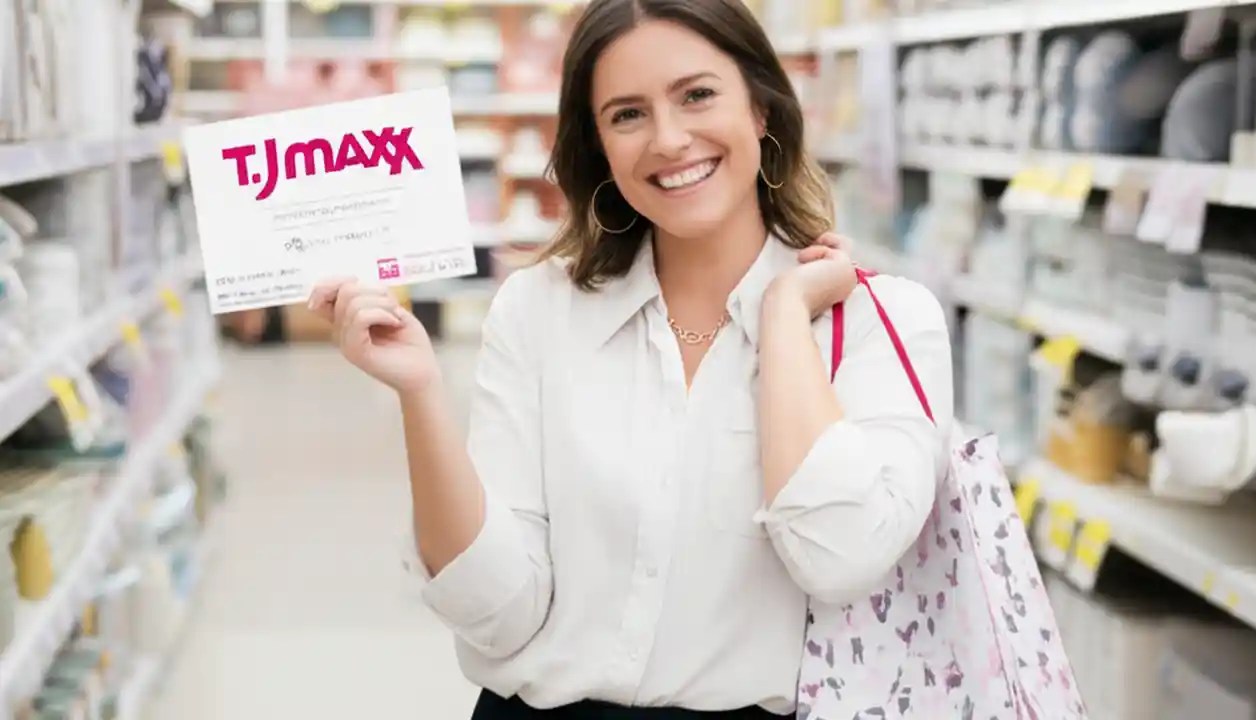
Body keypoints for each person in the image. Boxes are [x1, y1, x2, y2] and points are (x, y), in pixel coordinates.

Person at [307, 0, 954, 716]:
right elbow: (498, 613)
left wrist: (781, 317)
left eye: (698, 95)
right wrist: (420, 392)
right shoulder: (537, 312)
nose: (670, 140)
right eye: (627, 114)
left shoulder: (879, 322)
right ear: (600, 148)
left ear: (762, 110)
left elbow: (840, 557)